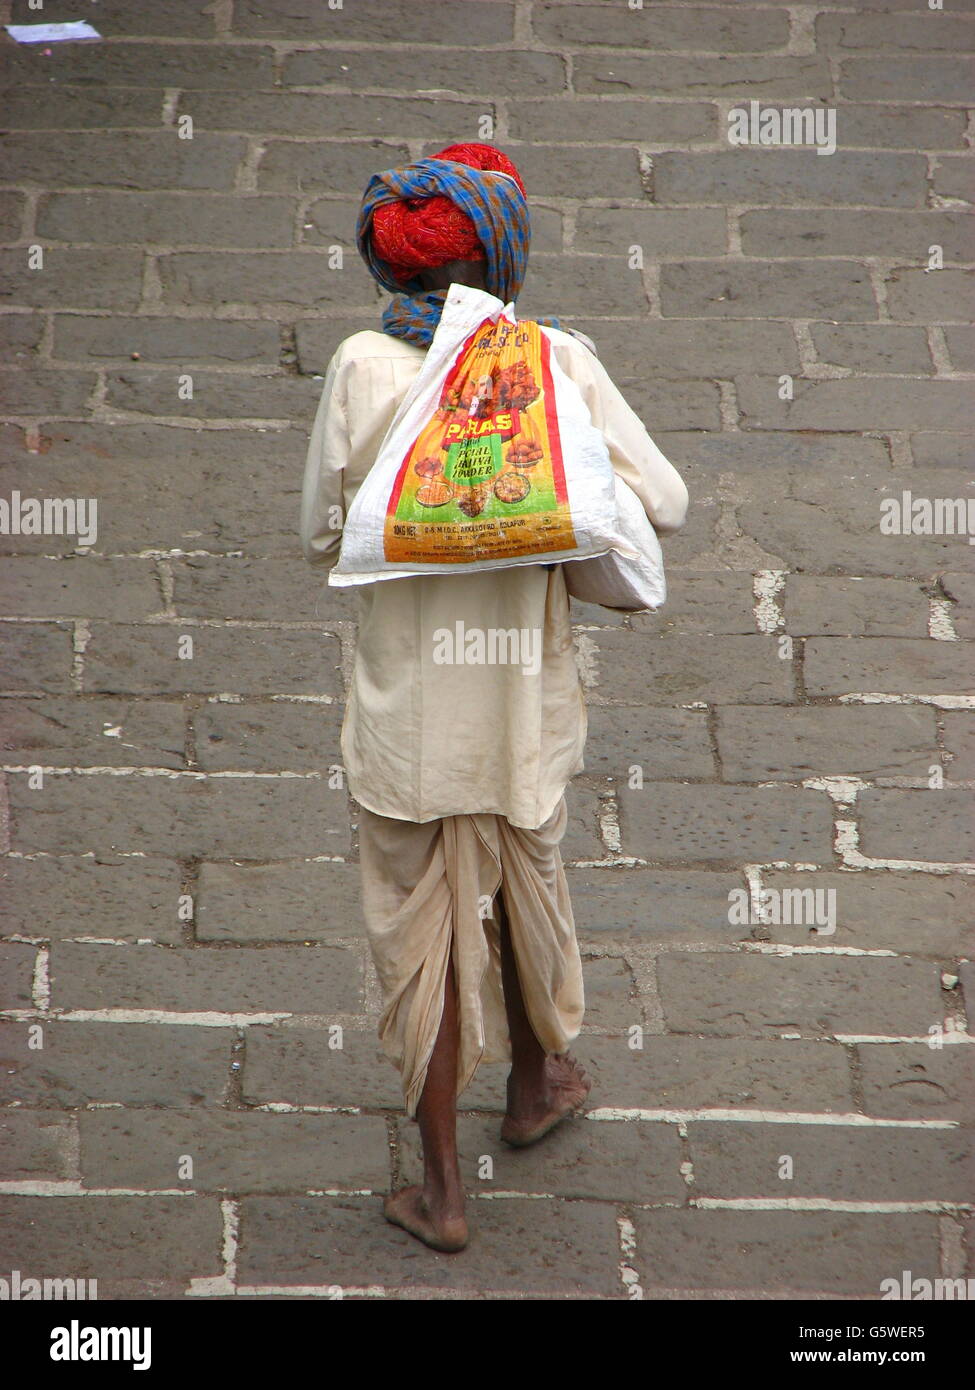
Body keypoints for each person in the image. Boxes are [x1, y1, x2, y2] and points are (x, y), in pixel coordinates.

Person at [300, 143, 688, 1252]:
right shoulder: (556, 362)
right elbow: (665, 498)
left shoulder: (361, 368)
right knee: (526, 888)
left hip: (404, 726)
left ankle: (441, 1191)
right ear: (504, 262)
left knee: (418, 938)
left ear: (393, 265)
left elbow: (323, 532)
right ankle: (533, 1085)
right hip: (523, 715)